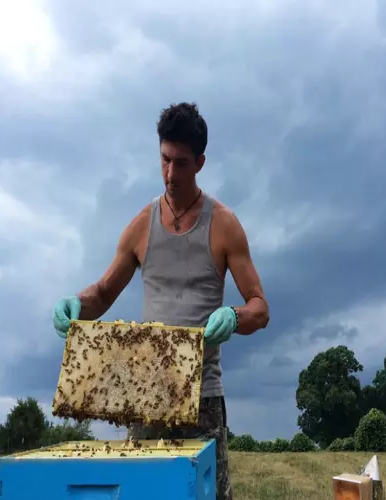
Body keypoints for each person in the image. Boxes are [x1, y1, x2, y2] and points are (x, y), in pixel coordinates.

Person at [52, 102, 270, 499]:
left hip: (202, 395)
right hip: (144, 394)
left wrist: (235, 317)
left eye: (182, 163)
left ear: (201, 162)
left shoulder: (224, 224)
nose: (170, 174)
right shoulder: (141, 225)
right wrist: (74, 303)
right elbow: (101, 294)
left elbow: (260, 307)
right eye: (164, 160)